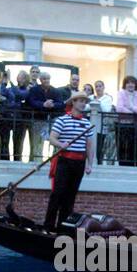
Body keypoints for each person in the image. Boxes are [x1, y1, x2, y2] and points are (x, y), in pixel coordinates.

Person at [44, 90, 94, 230]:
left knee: (70, 197)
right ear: (73, 102)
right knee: (57, 194)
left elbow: (89, 146)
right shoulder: (62, 120)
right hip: (64, 162)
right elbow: (52, 138)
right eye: (81, 101)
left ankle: (62, 228)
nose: (83, 104)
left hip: (79, 163)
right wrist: (61, 144)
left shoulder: (87, 123)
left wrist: (90, 164)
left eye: (85, 101)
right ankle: (48, 226)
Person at [115, 75, 137, 166]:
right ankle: (122, 166)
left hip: (134, 125)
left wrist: (132, 107)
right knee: (122, 147)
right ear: (125, 84)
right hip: (122, 124)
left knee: (132, 147)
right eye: (128, 83)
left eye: (132, 83)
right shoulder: (121, 93)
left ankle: (131, 166)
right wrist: (133, 113)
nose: (130, 85)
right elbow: (119, 109)